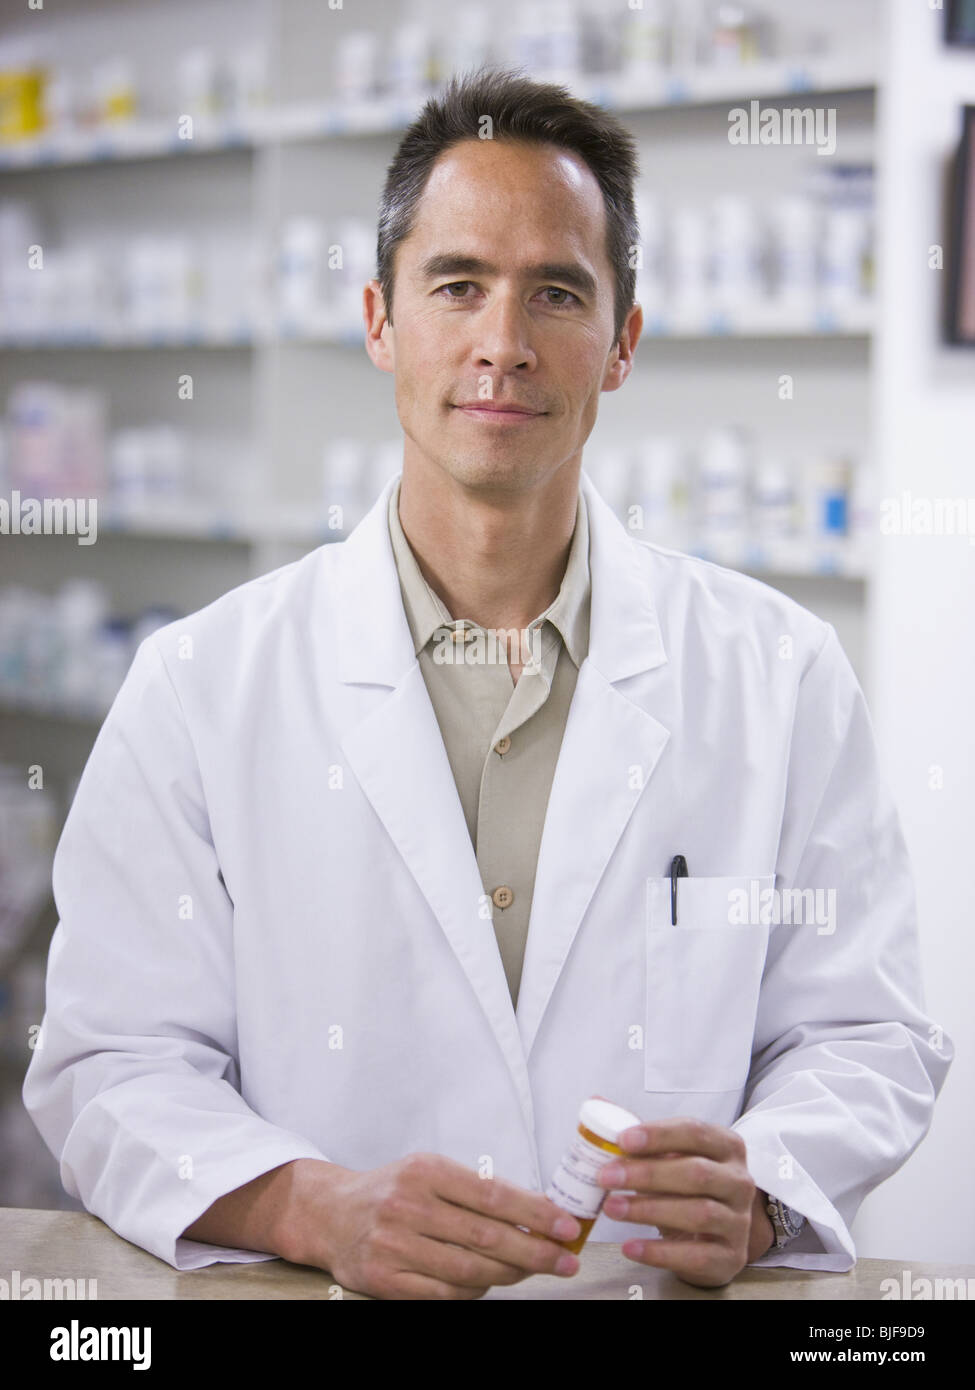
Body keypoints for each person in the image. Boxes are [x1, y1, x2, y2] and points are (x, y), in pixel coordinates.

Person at [23, 68, 951, 1301]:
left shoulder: (779, 677)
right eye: (456, 285)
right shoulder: (202, 686)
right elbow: (108, 1062)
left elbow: (867, 1033)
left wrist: (768, 1189)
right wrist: (315, 1207)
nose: (501, 345)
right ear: (379, 320)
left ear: (622, 342)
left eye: (557, 293)